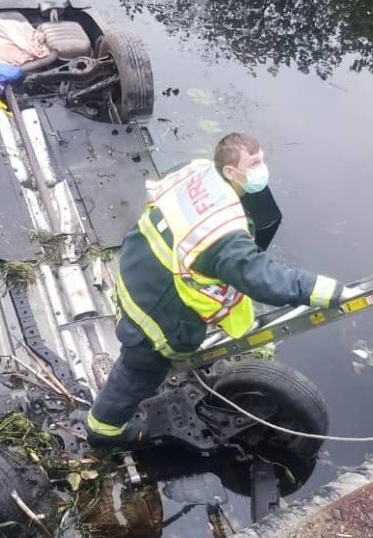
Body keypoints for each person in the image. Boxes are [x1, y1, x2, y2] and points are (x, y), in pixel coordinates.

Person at [84, 132, 352, 448]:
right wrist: (322, 290)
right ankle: (105, 430)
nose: (262, 169)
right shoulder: (221, 234)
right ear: (230, 171)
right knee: (139, 370)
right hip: (154, 308)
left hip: (138, 264)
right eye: (254, 164)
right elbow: (261, 278)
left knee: (142, 360)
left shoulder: (199, 170)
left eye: (262, 160)